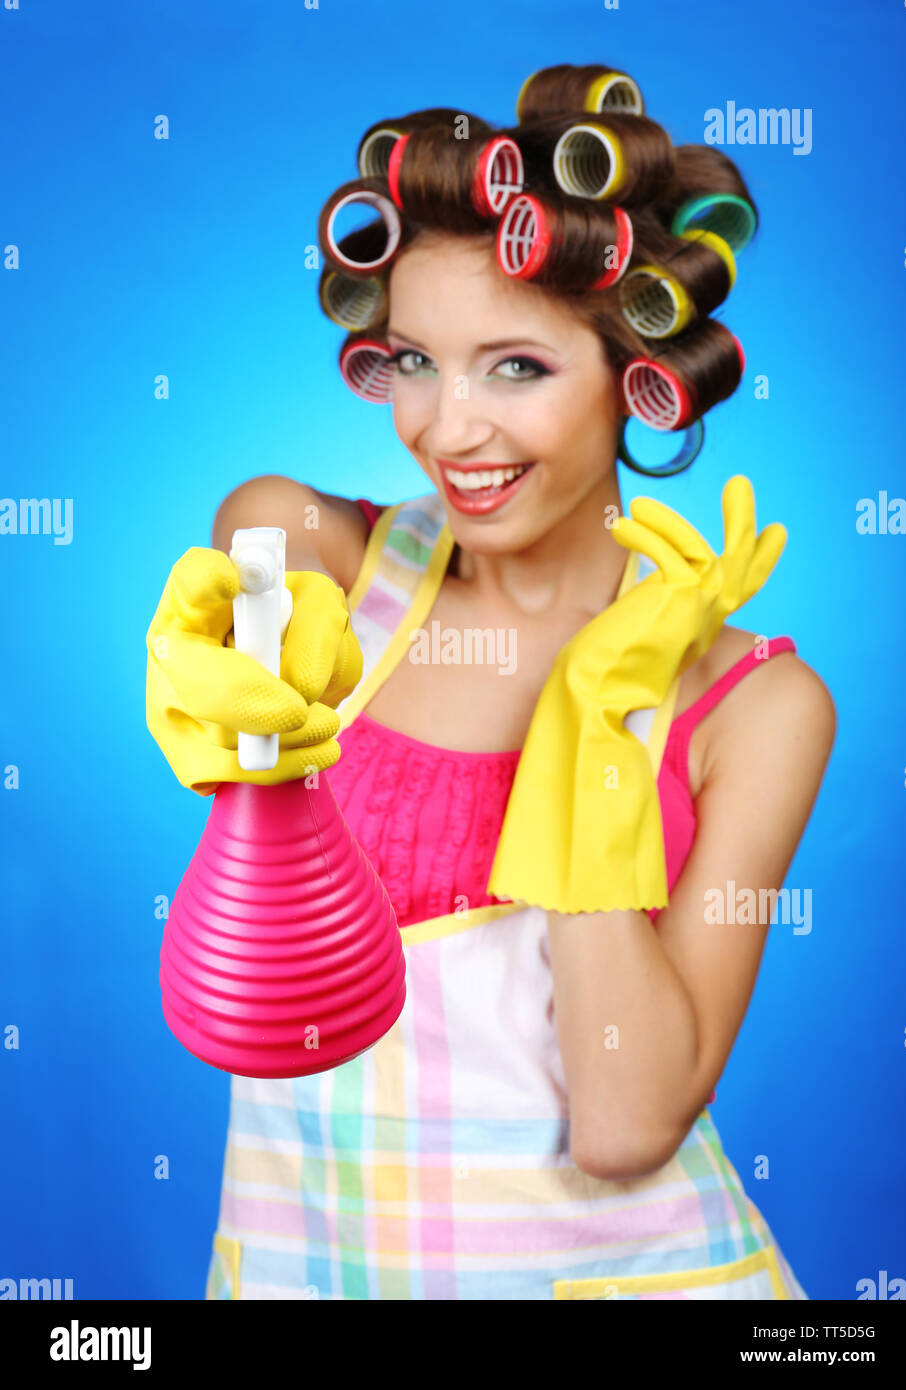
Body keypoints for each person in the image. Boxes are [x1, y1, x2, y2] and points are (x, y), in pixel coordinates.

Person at [147, 63, 836, 1300]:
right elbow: (246, 987)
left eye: (515, 367)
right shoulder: (316, 561)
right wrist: (225, 705)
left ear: (637, 373)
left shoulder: (754, 709)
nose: (447, 428)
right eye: (416, 359)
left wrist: (591, 724)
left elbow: (625, 1127)